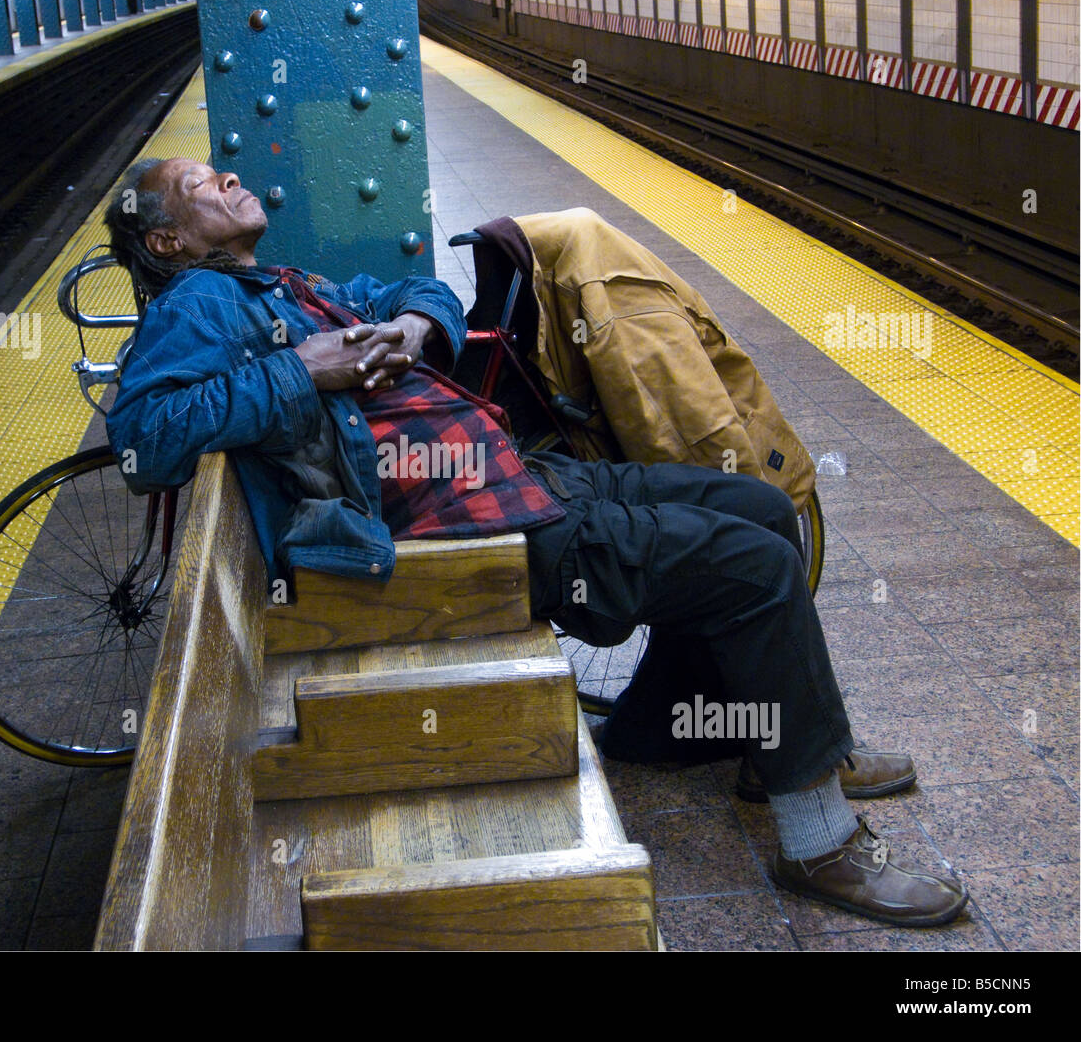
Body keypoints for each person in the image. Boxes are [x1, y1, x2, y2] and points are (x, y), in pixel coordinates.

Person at [103, 157, 968, 928]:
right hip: (474, 533)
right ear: (170, 239)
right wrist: (304, 370)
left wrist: (412, 329)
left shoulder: (282, 281)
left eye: (219, 171)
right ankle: (817, 842)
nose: (224, 178)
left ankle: (687, 730)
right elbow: (144, 439)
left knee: (758, 505)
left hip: (516, 471)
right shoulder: (197, 306)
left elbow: (418, 290)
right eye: (197, 185)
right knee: (759, 568)